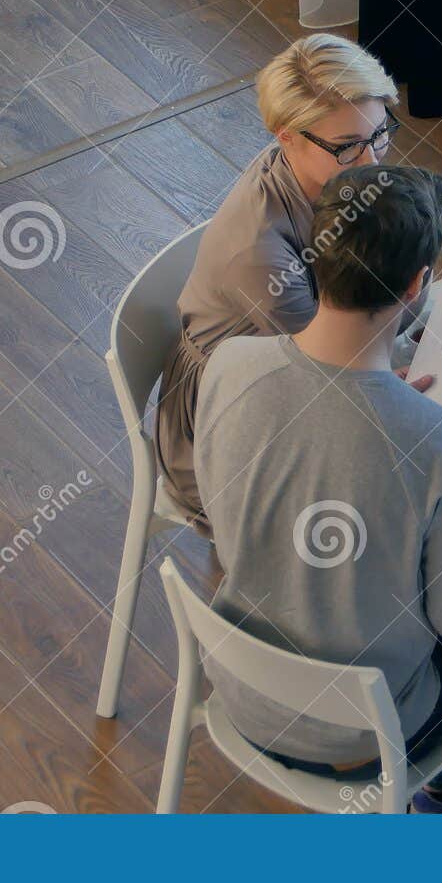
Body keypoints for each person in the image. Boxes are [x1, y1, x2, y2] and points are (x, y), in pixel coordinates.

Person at [193, 165, 442, 814]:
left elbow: (229, 509)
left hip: (240, 689)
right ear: (417, 286)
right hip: (360, 737)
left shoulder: (228, 365)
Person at [157, 33, 403, 528]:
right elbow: (334, 369)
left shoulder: (327, 174)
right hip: (226, 422)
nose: (372, 161)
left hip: (293, 363)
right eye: (347, 147)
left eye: (379, 133)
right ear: (285, 136)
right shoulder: (259, 253)